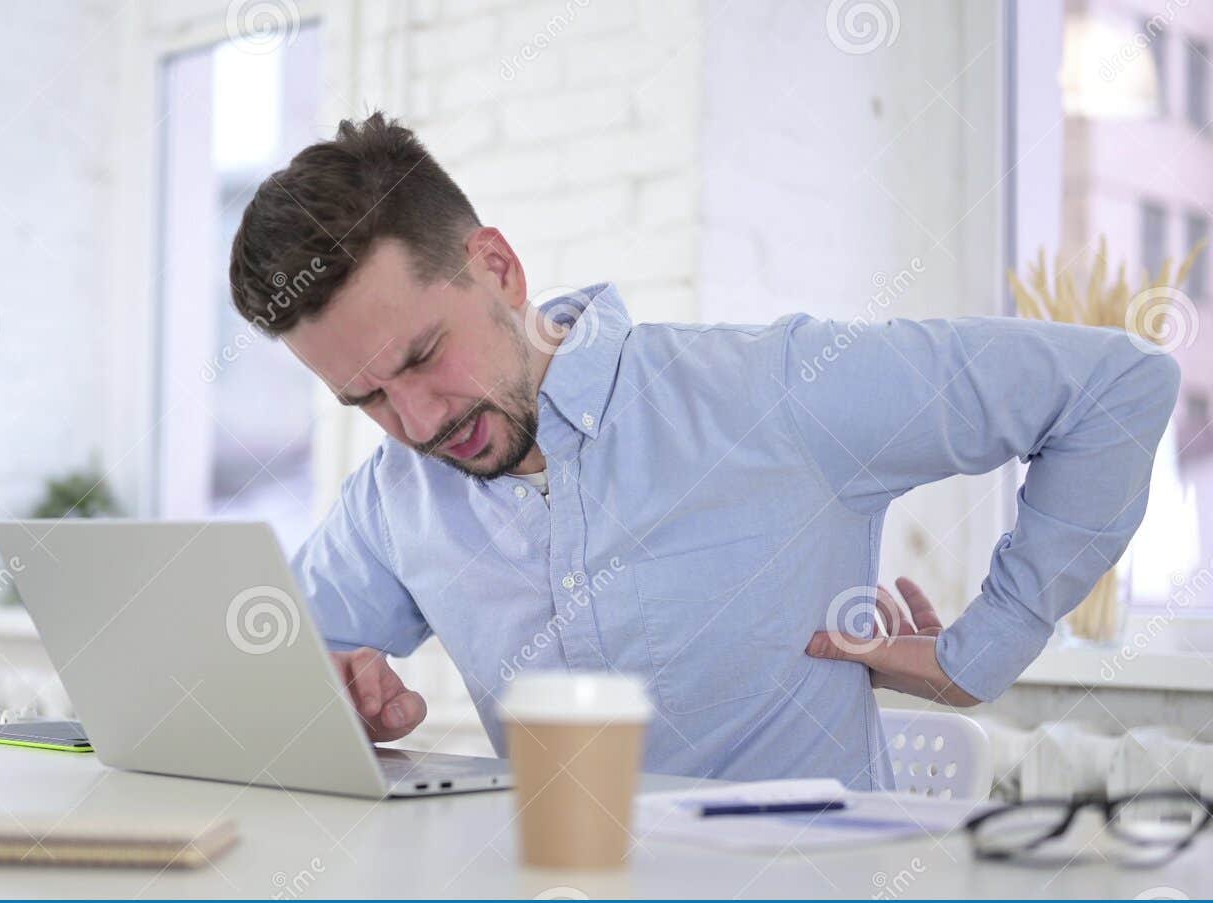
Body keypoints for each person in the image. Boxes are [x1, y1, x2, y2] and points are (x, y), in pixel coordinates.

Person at [226, 112, 1179, 787]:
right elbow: (264, 669)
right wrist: (331, 701)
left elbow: (1114, 389)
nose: (417, 422)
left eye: (423, 357)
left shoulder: (779, 389)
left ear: (499, 269)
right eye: (367, 399)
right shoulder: (394, 499)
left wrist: (987, 647)